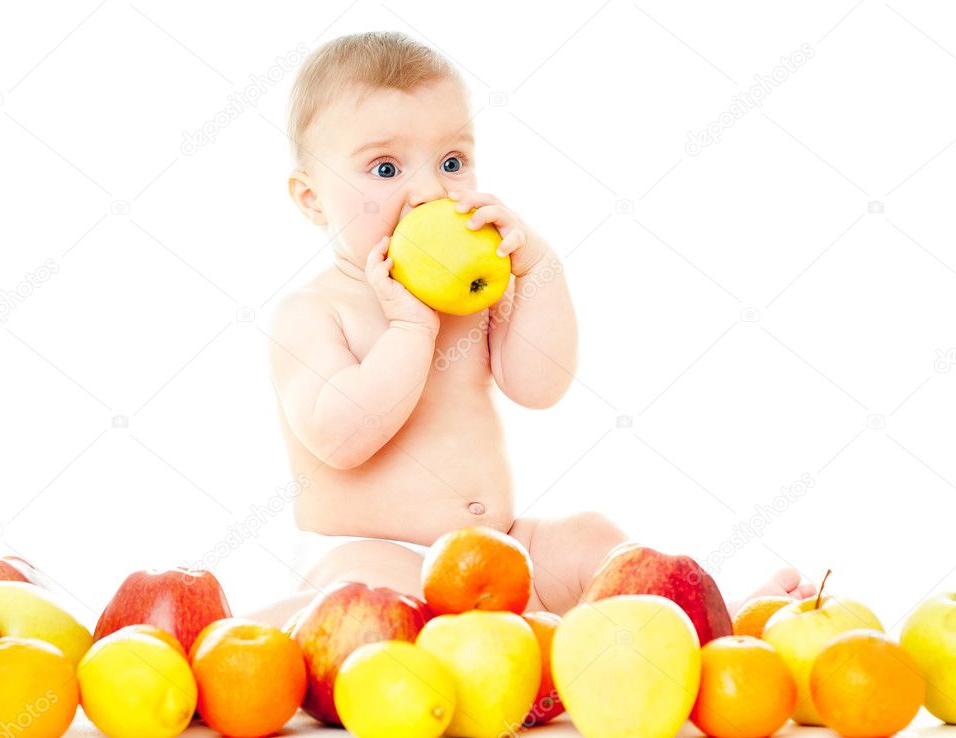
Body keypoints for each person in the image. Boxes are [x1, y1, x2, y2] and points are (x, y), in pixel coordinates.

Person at [249, 31, 815, 627]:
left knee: (591, 540)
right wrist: (410, 330)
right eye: (385, 168)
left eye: (452, 162)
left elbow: (539, 385)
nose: (430, 192)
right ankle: (250, 638)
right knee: (375, 604)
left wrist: (539, 269)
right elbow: (340, 439)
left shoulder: (472, 292)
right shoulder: (313, 312)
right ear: (312, 199)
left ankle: (712, 625)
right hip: (371, 557)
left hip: (498, 551)